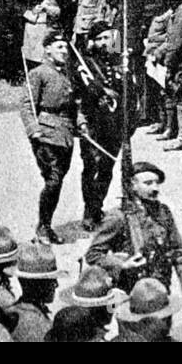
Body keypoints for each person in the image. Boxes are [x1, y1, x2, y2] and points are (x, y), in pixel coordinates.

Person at [85, 162, 182, 306]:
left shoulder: (163, 212)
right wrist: (122, 264)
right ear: (132, 186)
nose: (155, 188)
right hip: (129, 294)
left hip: (160, 291)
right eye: (148, 183)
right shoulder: (118, 217)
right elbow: (93, 255)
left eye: (157, 183)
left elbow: (179, 253)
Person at [20, 32, 83, 245]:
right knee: (53, 180)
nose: (64, 52)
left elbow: (76, 104)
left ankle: (46, 225)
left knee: (58, 181)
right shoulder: (38, 74)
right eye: (59, 47)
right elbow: (28, 104)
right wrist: (33, 129)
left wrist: (80, 123)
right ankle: (43, 228)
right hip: (46, 134)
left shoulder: (68, 74)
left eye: (66, 48)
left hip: (66, 134)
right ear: (47, 49)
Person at [76, 20, 122, 230]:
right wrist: (102, 92)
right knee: (91, 167)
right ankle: (89, 210)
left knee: (107, 167)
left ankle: (97, 206)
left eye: (107, 38)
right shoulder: (84, 63)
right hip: (93, 121)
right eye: (99, 39)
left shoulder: (119, 61)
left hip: (114, 124)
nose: (104, 43)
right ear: (92, 42)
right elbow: (84, 88)